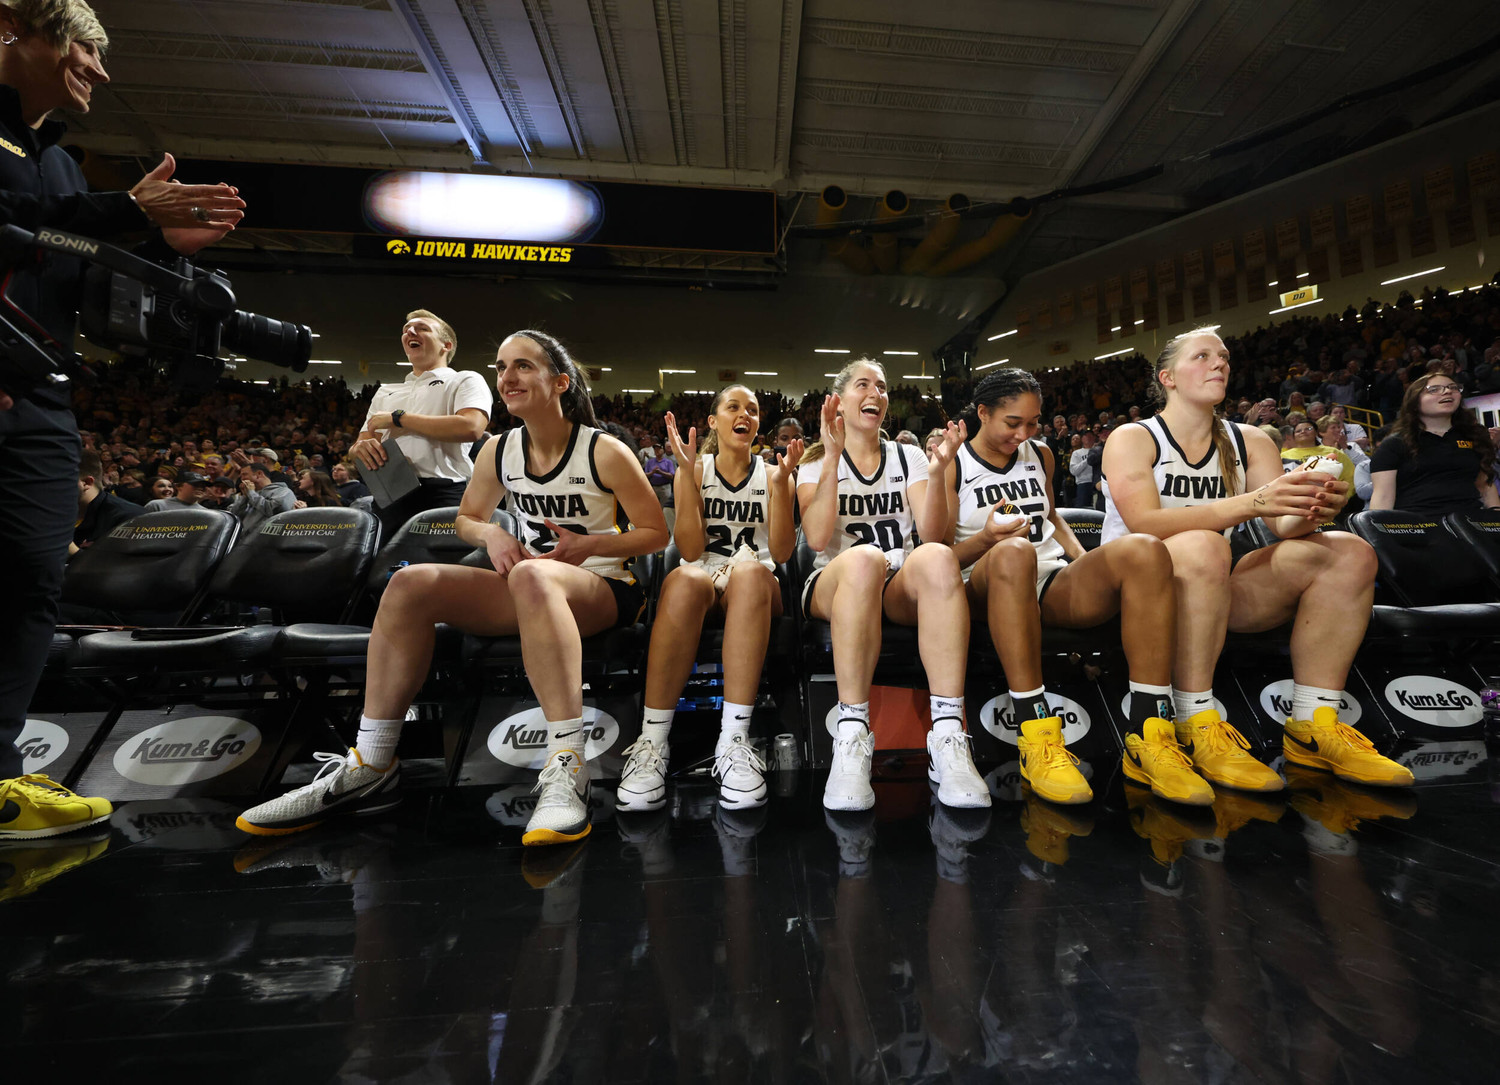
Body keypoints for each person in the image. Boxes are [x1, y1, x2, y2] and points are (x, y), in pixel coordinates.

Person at [236, 330, 668, 845]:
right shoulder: (498, 452)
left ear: (560, 382)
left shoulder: (605, 450)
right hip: (530, 586)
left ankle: (567, 764)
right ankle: (372, 764)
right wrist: (492, 531)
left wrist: (586, 544)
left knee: (531, 573)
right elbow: (467, 519)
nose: (508, 377)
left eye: (524, 366)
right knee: (410, 583)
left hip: (603, 588)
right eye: (503, 366)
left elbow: (655, 533)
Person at [0, 0, 245, 840]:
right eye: (81, 49)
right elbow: (25, 225)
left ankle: (1, 777)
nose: (100, 71)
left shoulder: (64, 167)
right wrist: (130, 214)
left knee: (31, 581)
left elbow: (86, 279)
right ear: (17, 33)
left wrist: (165, 249)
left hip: (36, 399)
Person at [1101, 327, 1411, 789]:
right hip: (1139, 599)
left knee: (1348, 551)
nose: (1219, 363)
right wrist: (1255, 502)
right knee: (1203, 542)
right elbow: (1146, 523)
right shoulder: (1133, 436)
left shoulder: (1250, 440)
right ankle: (1196, 723)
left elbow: (1283, 525)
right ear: (1167, 377)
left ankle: (1314, 725)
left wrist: (1314, 507)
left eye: (1223, 357)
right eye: (1202, 356)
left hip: (1211, 589)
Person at [945, 369, 1184, 804]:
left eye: (1033, 422)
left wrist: (1086, 563)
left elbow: (1052, 518)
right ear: (982, 413)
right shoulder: (952, 463)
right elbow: (939, 554)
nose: (1024, 432)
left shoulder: (1041, 454)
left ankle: (1151, 735)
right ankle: (1037, 736)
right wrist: (989, 541)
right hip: (980, 584)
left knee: (1144, 549)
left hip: (1046, 579)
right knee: (1014, 551)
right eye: (1013, 422)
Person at [796, 358, 987, 814]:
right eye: (863, 384)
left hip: (896, 581)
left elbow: (935, 535)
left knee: (939, 557)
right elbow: (819, 539)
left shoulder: (911, 457)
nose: (876, 394)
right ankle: (851, 736)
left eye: (881, 387)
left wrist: (939, 474)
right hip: (834, 580)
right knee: (863, 558)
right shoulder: (817, 460)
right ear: (838, 402)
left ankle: (947, 735)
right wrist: (831, 458)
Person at [617, 385, 799, 812]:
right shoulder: (695, 469)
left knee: (751, 573)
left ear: (757, 425)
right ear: (714, 421)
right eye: (733, 407)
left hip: (755, 585)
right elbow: (692, 550)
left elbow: (785, 553)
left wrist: (785, 485)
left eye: (753, 410)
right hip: (705, 576)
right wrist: (684, 478)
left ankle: (735, 740)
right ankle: (652, 744)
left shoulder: (773, 474)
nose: (745, 415)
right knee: (681, 578)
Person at [351, 309, 491, 542]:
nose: (410, 332)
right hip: (390, 491)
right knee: (384, 570)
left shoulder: (464, 379)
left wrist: (399, 419)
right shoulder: (386, 391)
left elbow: (471, 427)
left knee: (441, 572)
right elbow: (362, 443)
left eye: (422, 328)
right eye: (406, 330)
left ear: (446, 345)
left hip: (443, 491)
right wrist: (358, 450)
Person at [1368, 374, 1498, 514]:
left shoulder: (1475, 437)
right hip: (1419, 527)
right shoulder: (1394, 445)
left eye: (1453, 388)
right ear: (1415, 401)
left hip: (1469, 525)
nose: (1447, 391)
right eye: (1434, 389)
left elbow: (1485, 487)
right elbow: (1383, 498)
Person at [70, 448, 137, 555]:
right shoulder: (52, 512)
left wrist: (73, 551)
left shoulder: (130, 518)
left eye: (55, 481)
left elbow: (129, 567)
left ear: (86, 483)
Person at [229, 461, 295, 536]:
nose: (242, 479)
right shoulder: (248, 494)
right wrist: (245, 497)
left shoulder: (283, 491)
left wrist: (251, 494)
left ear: (259, 474)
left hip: (267, 541)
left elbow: (276, 511)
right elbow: (233, 516)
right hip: (243, 541)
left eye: (244, 475)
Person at [1280, 421, 1354, 487]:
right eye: (1298, 431)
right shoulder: (1283, 456)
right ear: (1293, 436)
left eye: (1308, 429)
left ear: (1316, 433)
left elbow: (1350, 476)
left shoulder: (1334, 452)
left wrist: (1343, 497)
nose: (1303, 432)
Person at [144, 470, 209, 512]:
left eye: (203, 486)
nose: (200, 488)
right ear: (178, 486)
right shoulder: (157, 505)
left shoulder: (205, 512)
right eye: (195, 485)